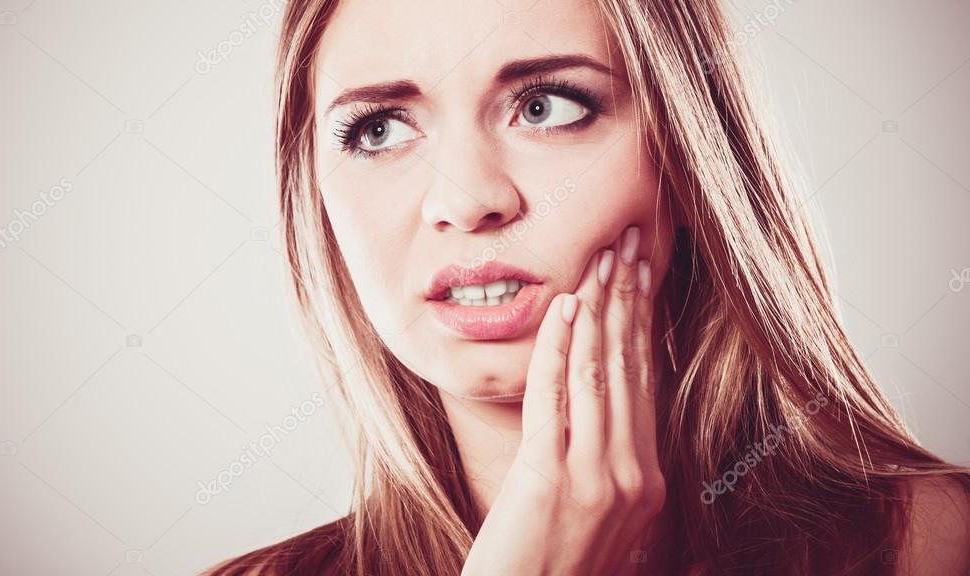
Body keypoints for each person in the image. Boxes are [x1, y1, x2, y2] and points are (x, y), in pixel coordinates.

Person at [204, 0, 970, 573]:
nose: (466, 200)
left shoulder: (935, 545)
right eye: (380, 129)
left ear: (687, 158)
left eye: (546, 107)